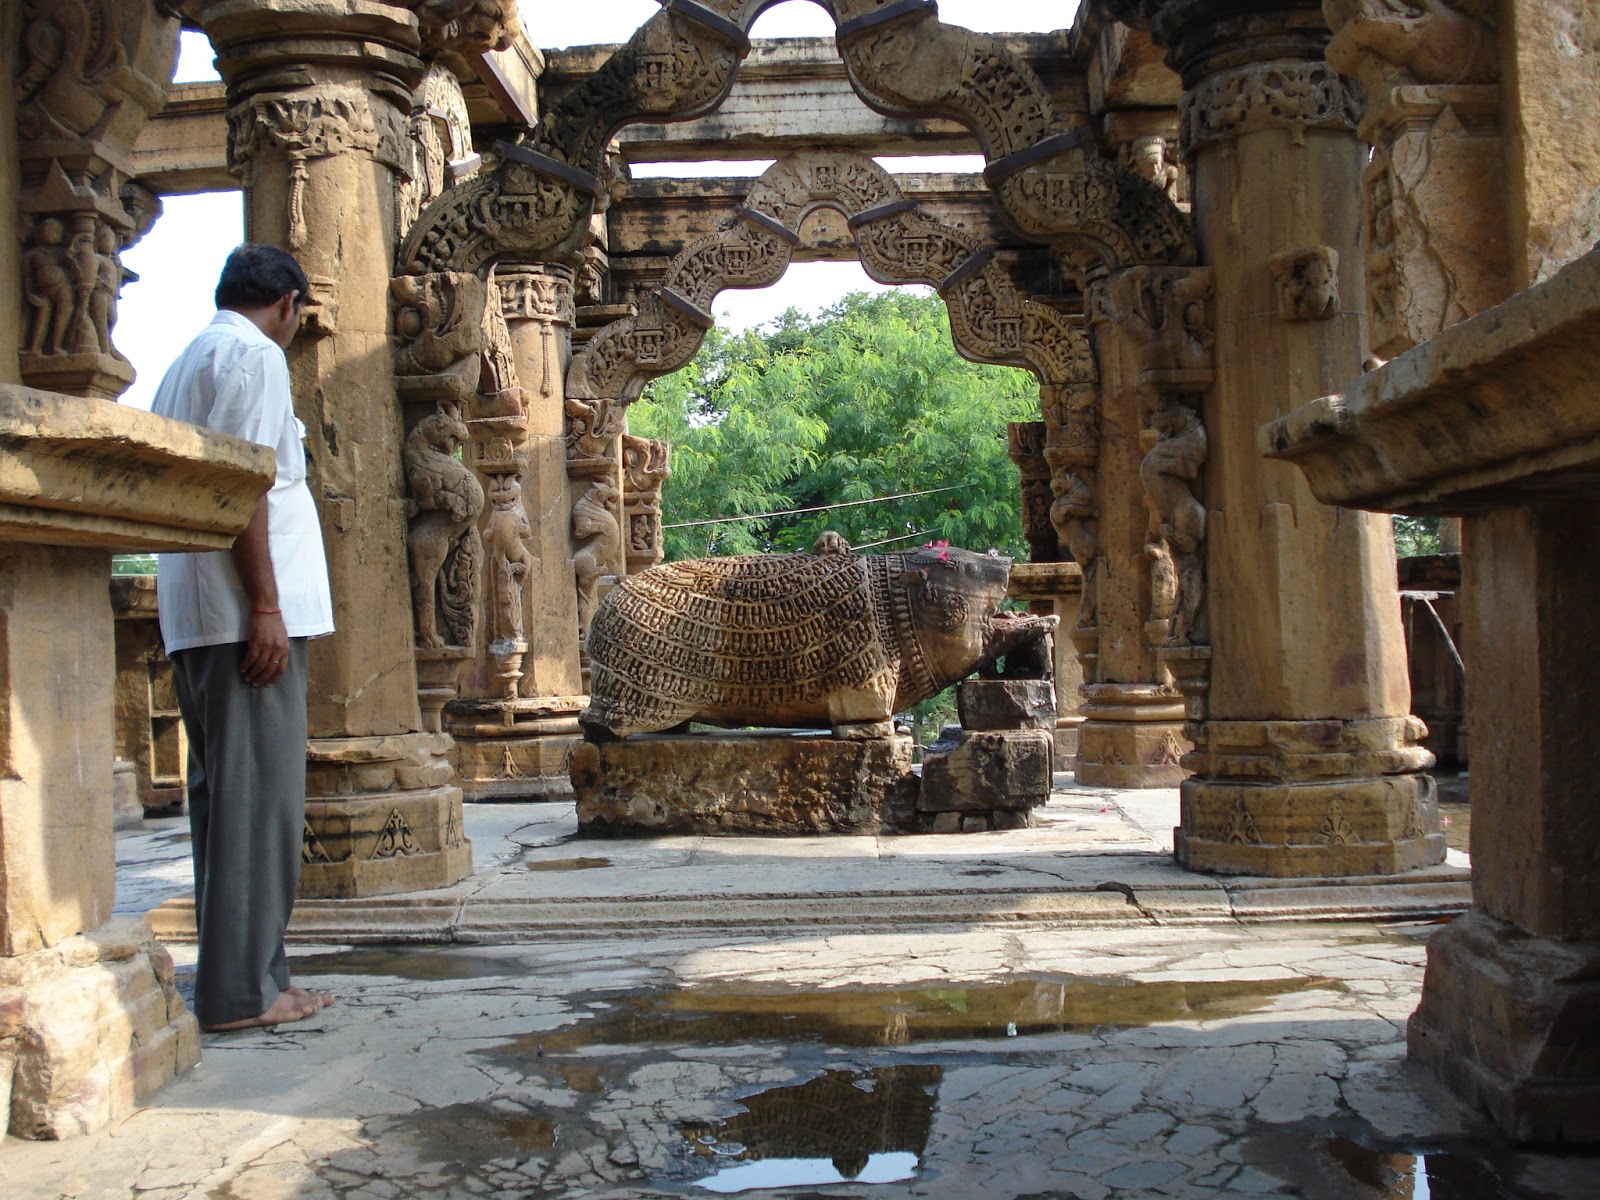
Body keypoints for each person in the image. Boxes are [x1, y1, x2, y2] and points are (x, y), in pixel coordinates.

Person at [153, 244, 336, 1031]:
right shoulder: (252, 356)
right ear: (289, 303)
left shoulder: (190, 356)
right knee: (259, 803)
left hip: (203, 614)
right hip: (243, 616)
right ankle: (241, 993)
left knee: (229, 803)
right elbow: (244, 484)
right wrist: (266, 604)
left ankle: (252, 980)